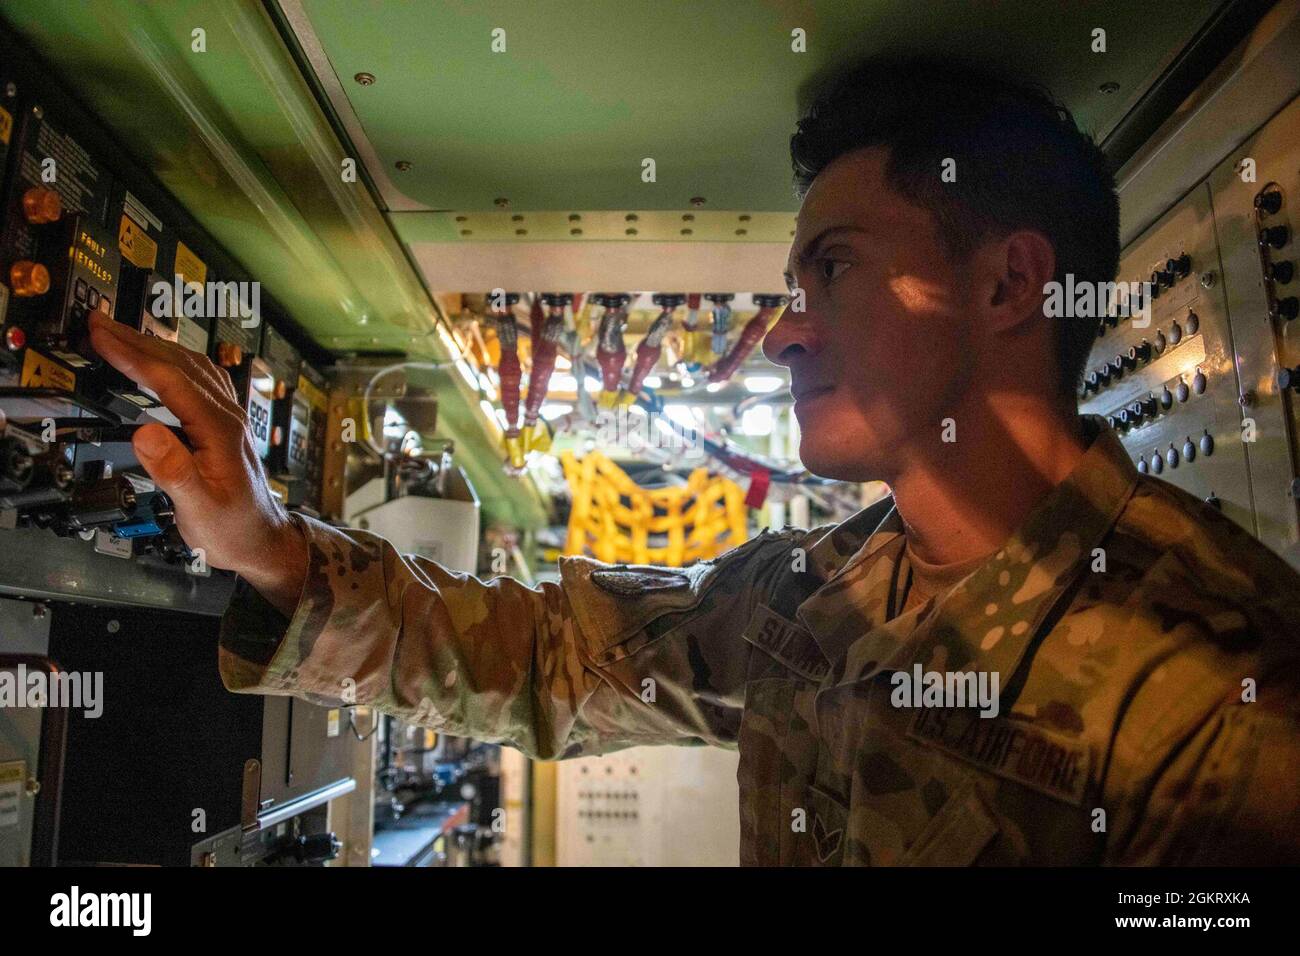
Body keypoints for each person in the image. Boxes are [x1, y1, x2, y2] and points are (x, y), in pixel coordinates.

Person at [88, 57, 1300, 866]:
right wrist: (268, 548)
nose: (781, 333)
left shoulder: (1224, 693)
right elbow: (563, 661)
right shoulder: (816, 591)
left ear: (1005, 283)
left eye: (830, 268)